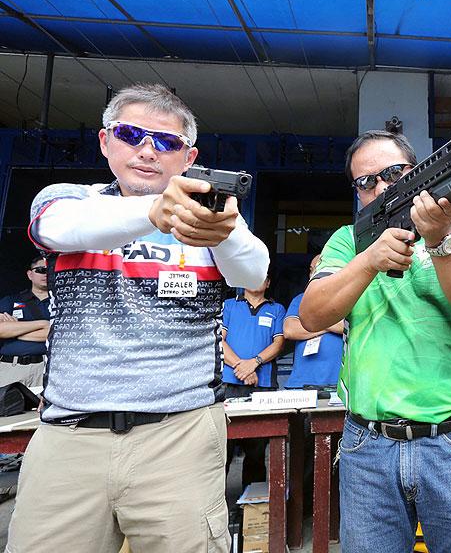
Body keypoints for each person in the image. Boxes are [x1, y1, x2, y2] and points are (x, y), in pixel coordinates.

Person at [8, 83, 269, 553]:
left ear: (188, 158)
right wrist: (156, 211)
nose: (148, 151)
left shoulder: (207, 219)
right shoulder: (70, 199)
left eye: (166, 142)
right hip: (69, 435)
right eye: (132, 135)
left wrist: (221, 230)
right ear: (106, 142)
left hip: (180, 433)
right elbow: (56, 228)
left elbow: (253, 270)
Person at [298, 129, 451, 553]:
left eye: (393, 173)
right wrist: (369, 259)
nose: (383, 186)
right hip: (368, 443)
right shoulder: (347, 241)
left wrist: (441, 241)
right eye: (366, 182)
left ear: (417, 171)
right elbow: (313, 314)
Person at [221, 275, 286, 488]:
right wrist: (243, 367)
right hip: (230, 384)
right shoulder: (229, 305)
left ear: (268, 283)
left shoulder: (277, 309)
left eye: (262, 277)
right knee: (223, 450)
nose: (256, 280)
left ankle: (250, 510)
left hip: (263, 386)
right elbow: (219, 340)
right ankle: (221, 507)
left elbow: (278, 345)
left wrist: (254, 363)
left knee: (257, 451)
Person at [282, 254, 345, 391]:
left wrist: (312, 321)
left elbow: (344, 327)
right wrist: (328, 323)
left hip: (337, 383)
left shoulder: (347, 300)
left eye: (319, 268)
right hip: (300, 383)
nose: (313, 273)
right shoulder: (301, 299)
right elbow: (290, 330)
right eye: (312, 269)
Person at [0, 256, 51, 387]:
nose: (46, 273)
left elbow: (55, 334)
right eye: (40, 270)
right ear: (30, 274)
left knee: (43, 407)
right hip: (11, 367)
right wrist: (43, 324)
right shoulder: (11, 300)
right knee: (8, 407)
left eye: (49, 269)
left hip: (45, 368)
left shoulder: (61, 303)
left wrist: (14, 329)